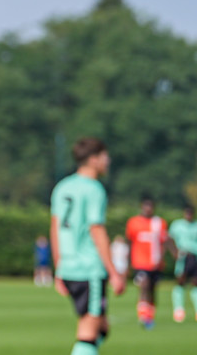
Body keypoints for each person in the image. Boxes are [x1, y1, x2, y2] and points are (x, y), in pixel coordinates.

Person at [50, 137, 125, 355]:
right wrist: (114, 271)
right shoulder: (94, 189)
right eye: (104, 156)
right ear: (93, 159)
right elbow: (97, 230)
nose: (108, 161)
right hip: (88, 268)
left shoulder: (62, 187)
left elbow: (55, 229)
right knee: (88, 332)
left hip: (70, 268)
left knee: (101, 327)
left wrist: (59, 269)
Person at [126, 196, 175, 328]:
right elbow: (129, 242)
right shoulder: (134, 222)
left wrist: (173, 253)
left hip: (155, 263)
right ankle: (143, 315)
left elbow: (165, 240)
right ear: (142, 207)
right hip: (140, 262)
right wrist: (127, 261)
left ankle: (150, 315)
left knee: (152, 290)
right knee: (144, 285)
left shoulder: (159, 223)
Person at [168, 205, 197, 322]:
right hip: (183, 257)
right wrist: (174, 252)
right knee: (181, 281)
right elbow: (169, 239)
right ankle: (178, 309)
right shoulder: (177, 225)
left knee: (195, 282)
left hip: (194, 256)